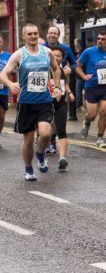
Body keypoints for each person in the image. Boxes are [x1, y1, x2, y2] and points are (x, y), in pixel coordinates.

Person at [1, 24, 62, 181]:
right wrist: (11, 84)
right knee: (28, 140)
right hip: (26, 103)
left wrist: (56, 87)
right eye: (30, 34)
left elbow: (56, 69)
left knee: (46, 133)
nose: (33, 36)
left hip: (45, 101)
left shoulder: (47, 52)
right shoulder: (18, 55)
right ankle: (29, 169)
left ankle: (40, 154)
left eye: (35, 33)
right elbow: (3, 73)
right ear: (24, 36)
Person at [44, 26, 77, 155]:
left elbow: (74, 63)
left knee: (57, 118)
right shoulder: (42, 48)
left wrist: (70, 70)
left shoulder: (66, 49)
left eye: (55, 33)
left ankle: (52, 142)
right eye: (50, 33)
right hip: (45, 87)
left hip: (61, 84)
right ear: (47, 35)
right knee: (46, 119)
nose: (52, 35)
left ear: (58, 35)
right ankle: (45, 139)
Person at [48, 46, 74, 170]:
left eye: (59, 56)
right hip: (46, 104)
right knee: (47, 131)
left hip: (61, 104)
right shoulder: (45, 70)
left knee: (61, 129)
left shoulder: (63, 71)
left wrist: (69, 93)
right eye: (54, 55)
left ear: (62, 58)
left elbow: (65, 83)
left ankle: (62, 158)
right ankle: (44, 147)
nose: (56, 58)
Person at [0, 33, 10, 145]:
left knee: (2, 117)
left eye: (0, 41)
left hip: (3, 90)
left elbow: (16, 69)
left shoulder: (8, 56)